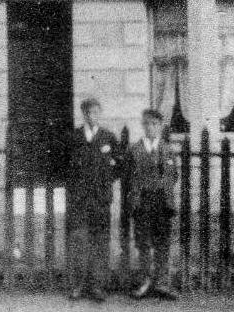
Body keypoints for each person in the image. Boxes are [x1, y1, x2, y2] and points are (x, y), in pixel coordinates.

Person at [67, 96, 120, 302]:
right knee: (79, 241)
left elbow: (118, 165)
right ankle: (77, 286)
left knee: (100, 242)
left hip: (100, 199)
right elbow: (65, 166)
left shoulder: (109, 137)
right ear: (83, 114)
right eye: (89, 113)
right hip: (79, 200)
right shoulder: (74, 137)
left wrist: (104, 182)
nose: (92, 116)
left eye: (96, 112)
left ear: (100, 114)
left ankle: (98, 286)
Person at [128, 108, 178, 300]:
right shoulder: (134, 150)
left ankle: (162, 283)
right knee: (143, 244)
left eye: (155, 124)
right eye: (147, 124)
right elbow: (129, 177)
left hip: (162, 203)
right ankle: (145, 282)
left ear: (160, 126)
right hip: (142, 202)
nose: (150, 127)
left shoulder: (168, 149)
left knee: (163, 243)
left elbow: (173, 175)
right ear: (143, 126)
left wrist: (160, 186)